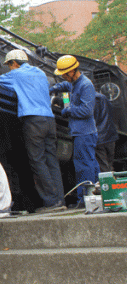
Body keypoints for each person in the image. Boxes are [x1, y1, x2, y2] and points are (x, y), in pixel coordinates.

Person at [0, 49, 65, 212]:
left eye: (9, 65)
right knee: (51, 160)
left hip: (34, 120)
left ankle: (51, 202)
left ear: (14, 63)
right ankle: (60, 199)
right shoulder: (41, 73)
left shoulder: (16, 74)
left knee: (37, 160)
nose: (9, 68)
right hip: (50, 121)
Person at [49, 55, 99, 208]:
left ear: (72, 71)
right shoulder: (73, 83)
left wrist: (68, 111)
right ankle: (93, 197)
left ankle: (85, 200)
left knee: (84, 166)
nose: (63, 77)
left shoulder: (85, 85)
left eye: (64, 74)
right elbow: (65, 86)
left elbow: (87, 110)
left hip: (85, 132)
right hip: (80, 132)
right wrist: (54, 88)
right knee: (88, 165)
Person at [94, 91, 116, 173]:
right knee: (109, 165)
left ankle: (107, 184)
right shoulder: (104, 97)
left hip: (99, 137)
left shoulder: (89, 99)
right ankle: (113, 182)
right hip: (110, 136)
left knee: (103, 166)